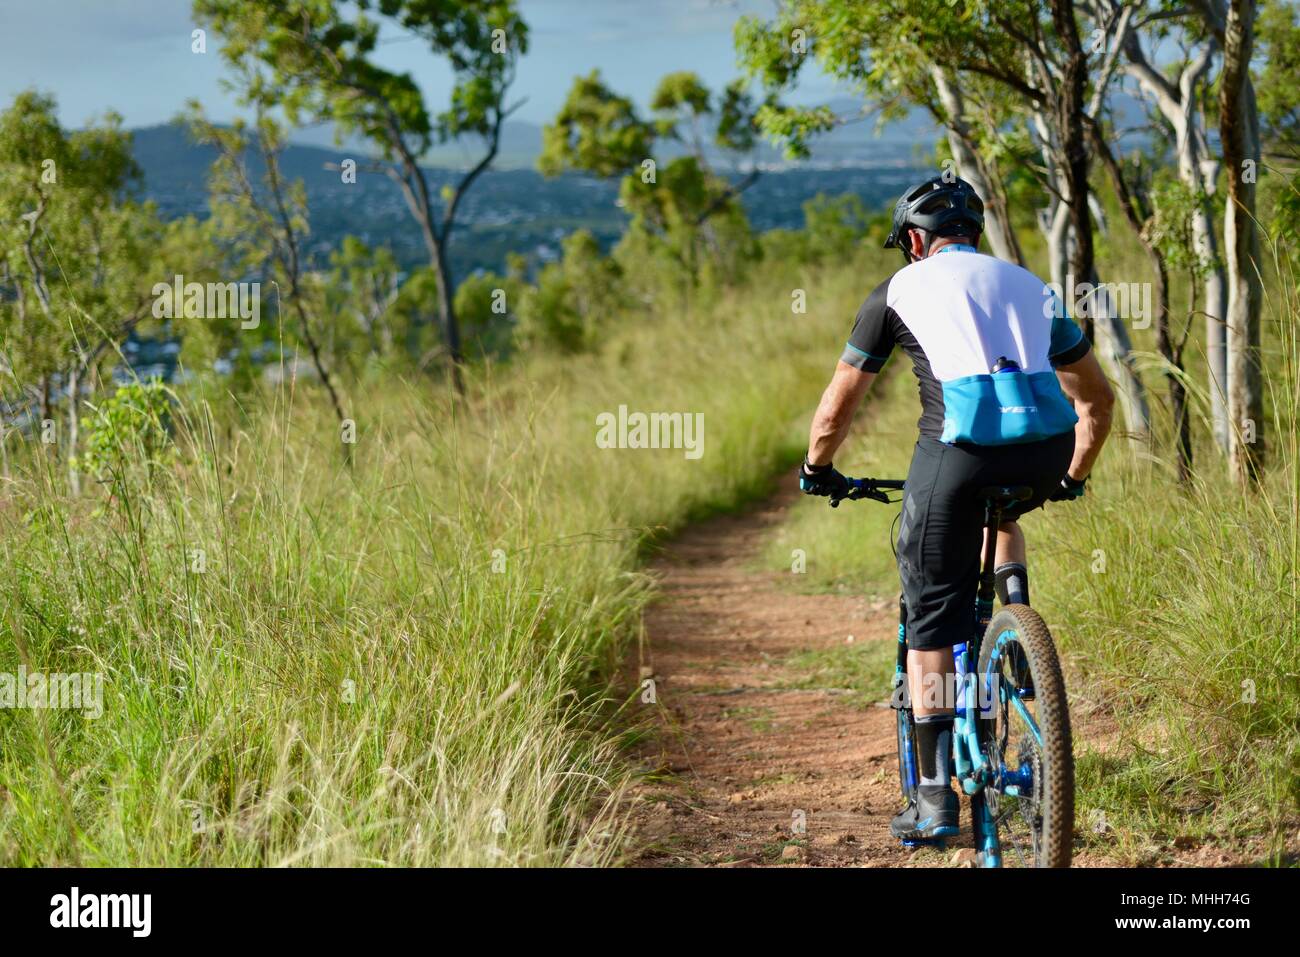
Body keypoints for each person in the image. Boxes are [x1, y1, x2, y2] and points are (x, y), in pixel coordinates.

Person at [798, 175, 1115, 841]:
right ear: (973, 233)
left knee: (932, 624)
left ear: (914, 240)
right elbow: (1096, 398)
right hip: (1044, 451)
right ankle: (1015, 620)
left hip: (958, 454)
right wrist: (1073, 476)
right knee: (1005, 514)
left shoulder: (896, 290)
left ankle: (936, 795)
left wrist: (817, 468)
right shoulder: (1030, 286)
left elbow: (838, 403)